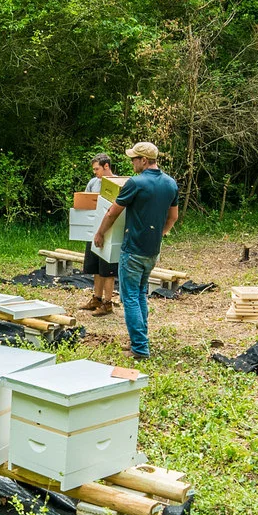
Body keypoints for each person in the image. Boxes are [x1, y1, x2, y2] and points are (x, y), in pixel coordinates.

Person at [91, 142, 178, 360]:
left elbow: (112, 213)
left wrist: (100, 234)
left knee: (130, 297)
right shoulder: (170, 184)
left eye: (134, 159)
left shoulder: (135, 183)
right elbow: (173, 217)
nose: (132, 162)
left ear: (144, 161)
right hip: (152, 251)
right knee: (140, 295)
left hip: (133, 249)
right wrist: (161, 233)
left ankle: (139, 348)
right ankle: (139, 340)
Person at [77, 153, 118, 316]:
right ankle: (97, 298)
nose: (95, 172)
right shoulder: (93, 183)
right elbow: (86, 204)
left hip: (110, 232)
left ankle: (108, 303)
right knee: (95, 267)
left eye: (97, 169)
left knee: (107, 269)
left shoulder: (117, 184)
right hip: (94, 230)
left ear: (106, 166)